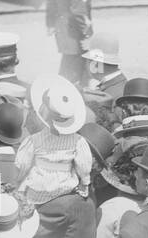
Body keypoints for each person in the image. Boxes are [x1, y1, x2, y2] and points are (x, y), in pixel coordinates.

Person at [14, 76, 93, 208]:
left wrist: (18, 182)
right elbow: (84, 166)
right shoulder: (78, 141)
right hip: (66, 191)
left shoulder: (34, 140)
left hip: (37, 192)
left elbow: (23, 165)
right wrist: (84, 183)